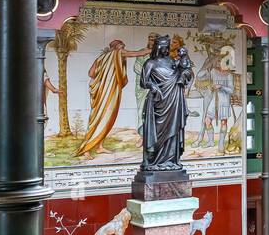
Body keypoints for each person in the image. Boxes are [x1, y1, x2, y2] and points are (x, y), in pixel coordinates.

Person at [77, 36, 152, 158]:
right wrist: (151, 50)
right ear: (117, 48)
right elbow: (137, 53)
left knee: (103, 119)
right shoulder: (116, 53)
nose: (123, 51)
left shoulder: (101, 58)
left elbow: (91, 73)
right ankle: (87, 149)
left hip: (101, 91)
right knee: (102, 119)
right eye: (122, 48)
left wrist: (104, 73)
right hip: (108, 91)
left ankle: (99, 146)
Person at [140, 34, 193, 169]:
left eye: (168, 47)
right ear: (159, 47)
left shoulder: (171, 61)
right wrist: (152, 86)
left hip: (174, 100)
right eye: (166, 47)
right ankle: (152, 162)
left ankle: (171, 161)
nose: (168, 49)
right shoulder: (150, 63)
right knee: (156, 132)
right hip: (159, 101)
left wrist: (185, 63)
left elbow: (184, 69)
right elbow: (143, 82)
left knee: (173, 130)